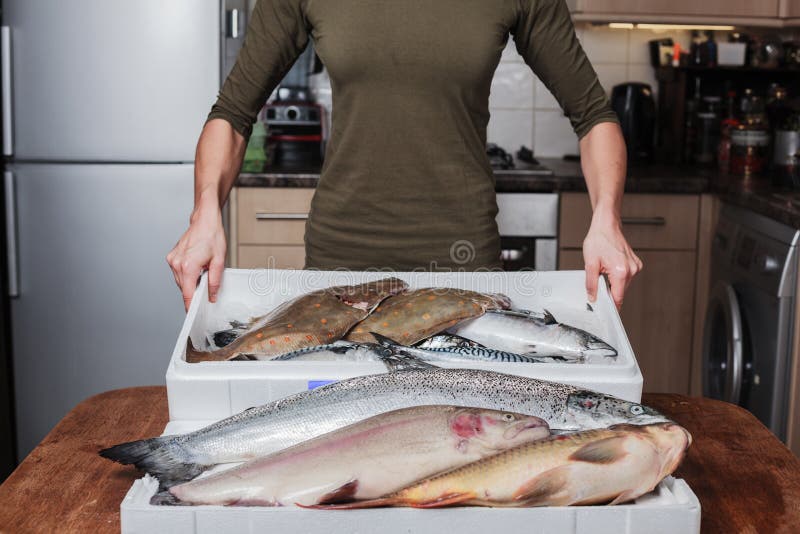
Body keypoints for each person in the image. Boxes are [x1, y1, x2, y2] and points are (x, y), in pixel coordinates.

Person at [168, 0, 642, 310]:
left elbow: (594, 115)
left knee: (460, 441)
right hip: (341, 265)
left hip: (464, 267)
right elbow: (232, 114)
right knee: (340, 441)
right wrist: (205, 211)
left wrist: (607, 219)